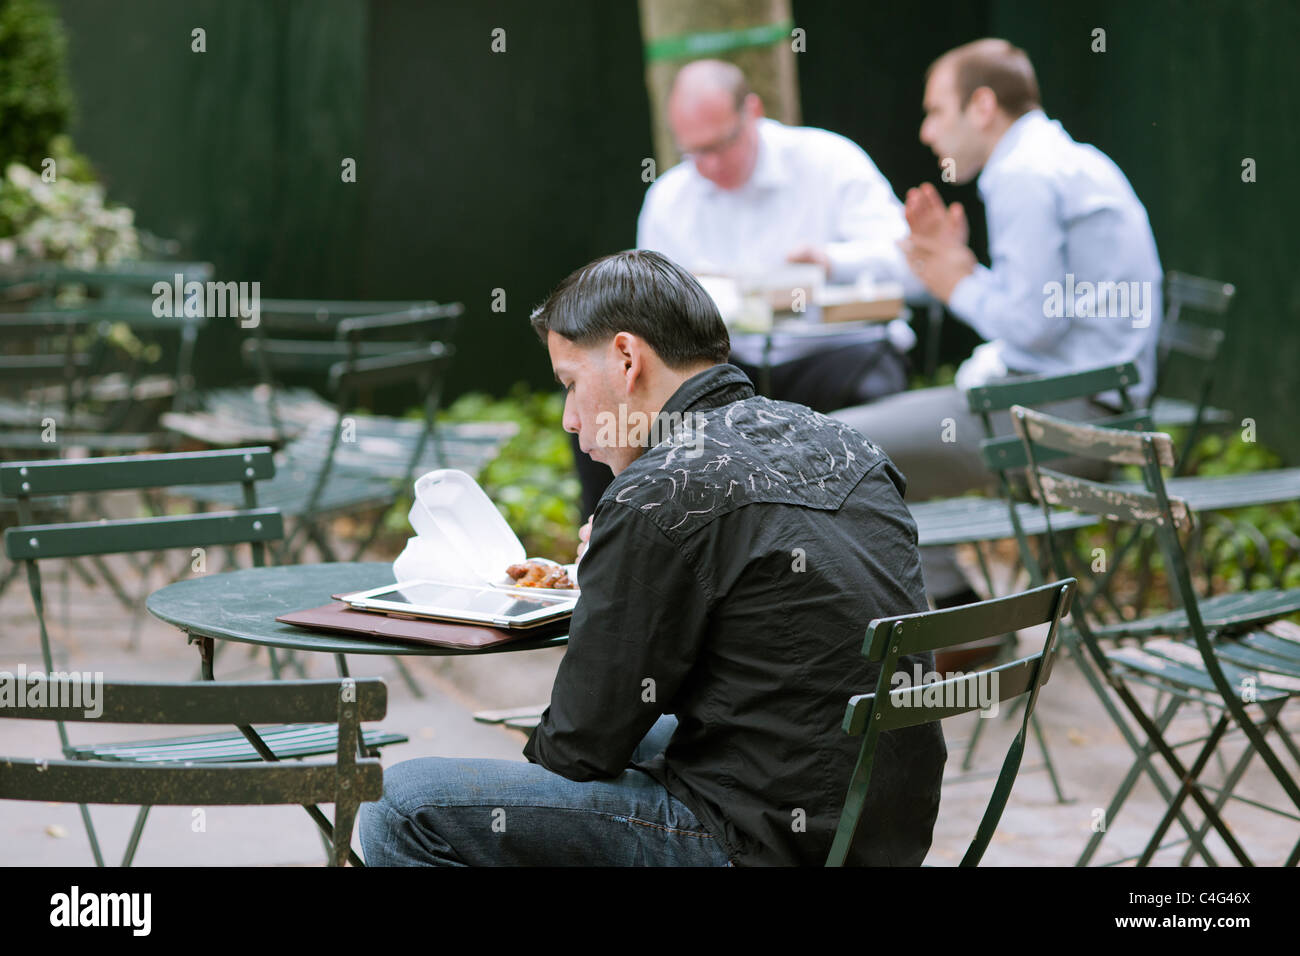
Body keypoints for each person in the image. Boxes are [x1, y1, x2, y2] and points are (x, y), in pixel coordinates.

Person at [359, 250, 947, 866]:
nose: (567, 419)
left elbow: (575, 747)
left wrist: (617, 566)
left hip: (760, 844)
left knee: (401, 805)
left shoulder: (657, 491)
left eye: (570, 384)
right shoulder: (844, 443)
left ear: (625, 358)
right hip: (880, 829)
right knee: (649, 738)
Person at [833, 38, 1163, 606]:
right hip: (1095, 407)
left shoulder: (1024, 173)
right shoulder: (1067, 159)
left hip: (1064, 423)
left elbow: (1031, 326)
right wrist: (962, 270)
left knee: (838, 445)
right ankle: (952, 605)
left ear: (982, 106)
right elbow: (1044, 311)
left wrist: (955, 278)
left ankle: (945, 618)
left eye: (936, 111)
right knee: (878, 442)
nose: (926, 132)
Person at [572, 59, 919, 520]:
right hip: (729, 367)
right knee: (610, 408)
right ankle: (611, 545)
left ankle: (866, 534)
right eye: (695, 152)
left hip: (837, 351)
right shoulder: (671, 197)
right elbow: (645, 316)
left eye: (721, 144)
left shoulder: (829, 161)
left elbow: (913, 270)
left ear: (752, 111)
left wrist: (832, 261)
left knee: (871, 389)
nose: (711, 165)